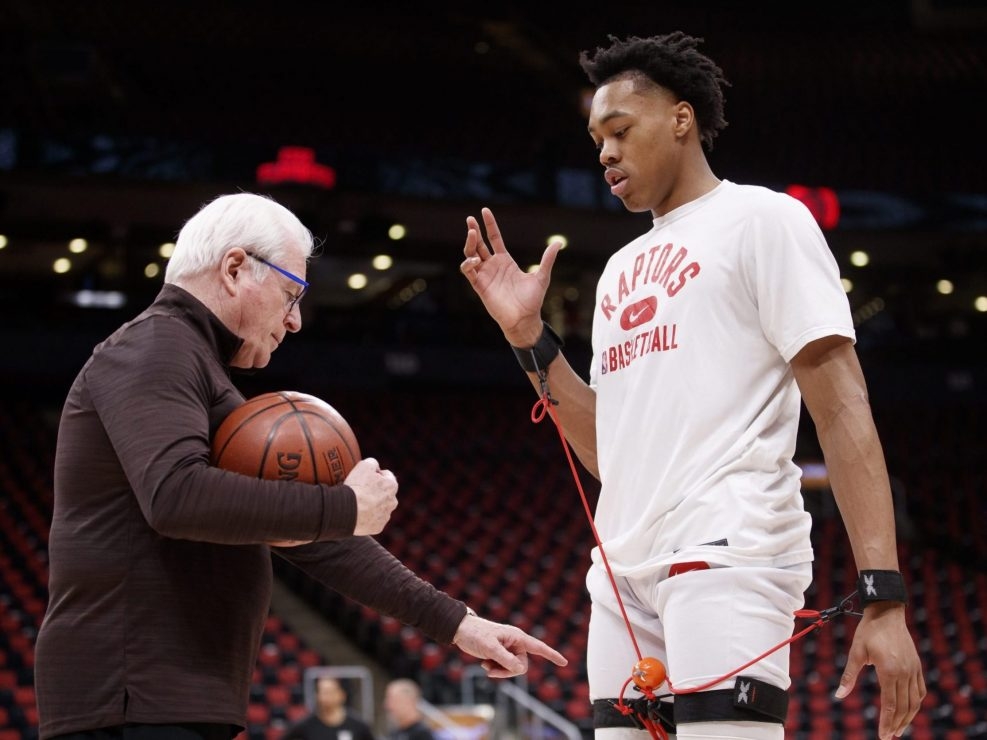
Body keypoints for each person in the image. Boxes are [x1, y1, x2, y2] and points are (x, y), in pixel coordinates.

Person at [459, 32, 924, 740]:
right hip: (622, 573)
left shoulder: (763, 219)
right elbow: (609, 452)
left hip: (725, 550)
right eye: (595, 140)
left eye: (619, 130)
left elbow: (840, 404)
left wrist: (881, 596)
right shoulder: (618, 270)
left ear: (680, 119)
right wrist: (528, 337)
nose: (604, 153)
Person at [34, 192, 567, 740]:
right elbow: (176, 496)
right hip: (130, 698)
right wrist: (344, 505)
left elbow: (318, 539)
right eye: (292, 294)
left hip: (157, 698)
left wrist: (458, 623)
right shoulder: (156, 344)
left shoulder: (195, 365)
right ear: (236, 268)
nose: (295, 322)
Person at [283, 676, 376, 740]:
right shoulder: (305, 725)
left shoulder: (358, 726)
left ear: (341, 695)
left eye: (329, 692)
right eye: (321, 692)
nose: (325, 697)